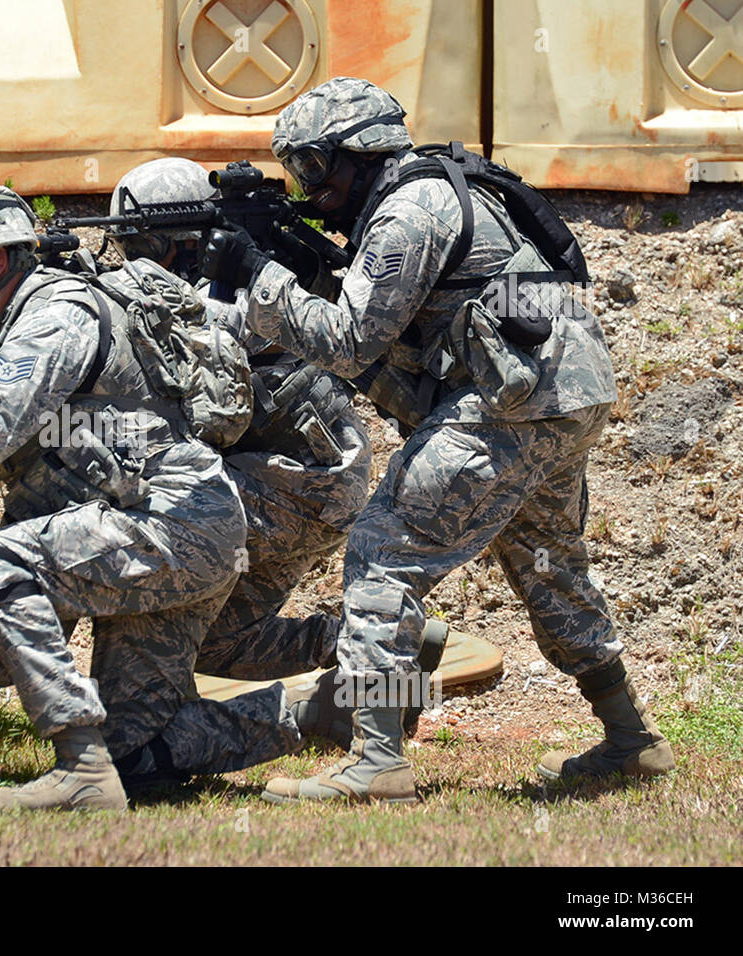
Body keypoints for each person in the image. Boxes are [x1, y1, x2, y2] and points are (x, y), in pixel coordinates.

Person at [199, 77, 674, 804]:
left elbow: (351, 340)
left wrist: (257, 277)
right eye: (299, 172)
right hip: (559, 396)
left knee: (384, 551)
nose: (310, 189)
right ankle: (632, 741)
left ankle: (377, 760)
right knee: (548, 564)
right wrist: (299, 271)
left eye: (317, 170)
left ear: (361, 154)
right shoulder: (427, 192)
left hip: (514, 405)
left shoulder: (408, 210)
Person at [0, 180, 318, 810]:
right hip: (190, 526)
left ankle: (78, 770)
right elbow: (8, 429)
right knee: (132, 756)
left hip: (168, 526)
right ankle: (319, 712)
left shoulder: (53, 318)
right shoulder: (40, 316)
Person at [101, 158, 376, 760]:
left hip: (293, 483)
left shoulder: (222, 300)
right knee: (217, 642)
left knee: (150, 541)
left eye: (137, 247)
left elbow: (205, 417)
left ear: (169, 246)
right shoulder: (227, 282)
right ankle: (367, 649)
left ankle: (144, 735)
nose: (129, 263)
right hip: (311, 478)